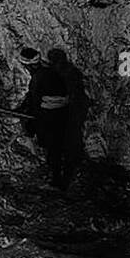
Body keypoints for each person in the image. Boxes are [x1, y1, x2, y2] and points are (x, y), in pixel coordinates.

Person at [16, 46, 73, 188]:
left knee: (53, 146)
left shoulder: (38, 76)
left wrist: (28, 117)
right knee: (58, 145)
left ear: (28, 65)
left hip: (51, 114)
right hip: (64, 111)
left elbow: (35, 99)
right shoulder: (49, 70)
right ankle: (57, 173)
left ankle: (57, 180)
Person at [46, 48, 88, 183]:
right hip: (72, 111)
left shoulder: (64, 73)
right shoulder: (70, 71)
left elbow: (70, 95)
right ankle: (67, 173)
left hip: (69, 113)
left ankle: (63, 177)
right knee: (70, 143)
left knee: (64, 145)